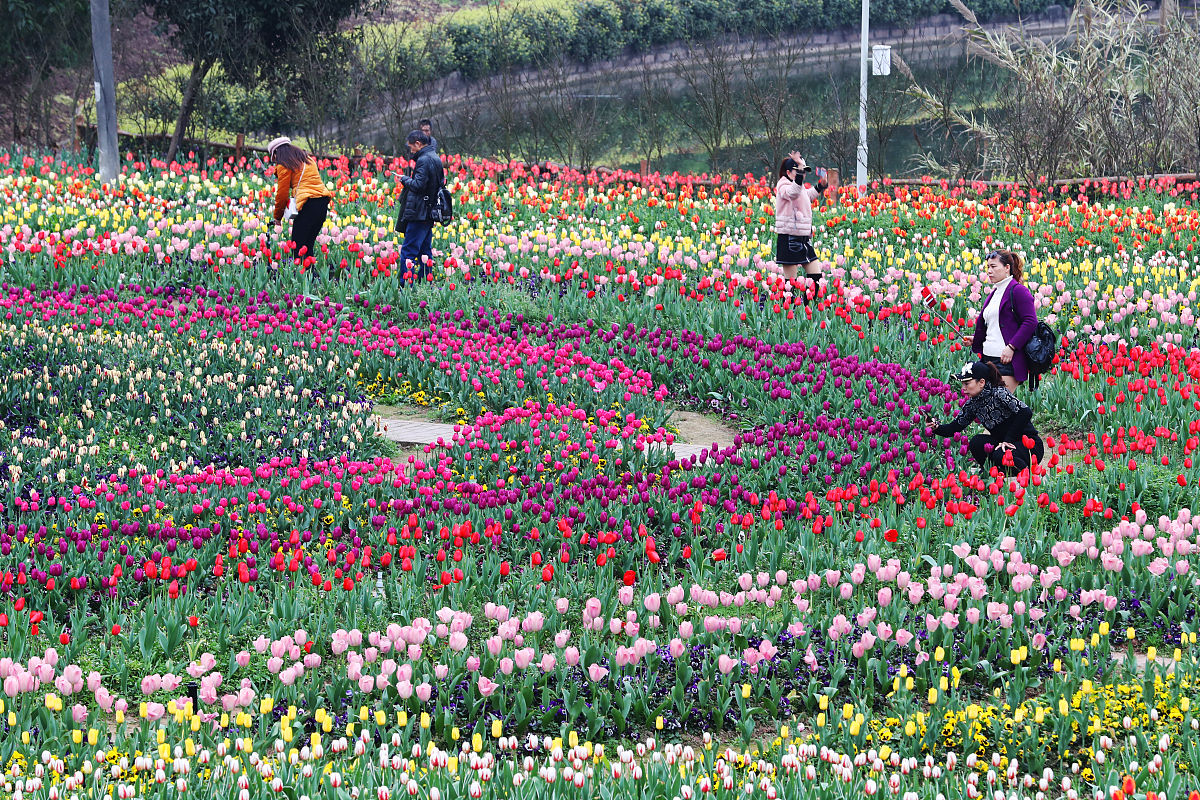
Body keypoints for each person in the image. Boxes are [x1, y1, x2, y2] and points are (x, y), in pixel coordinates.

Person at [933, 361, 1045, 475]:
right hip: (1005, 446)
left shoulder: (998, 393)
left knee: (1000, 454)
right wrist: (935, 427)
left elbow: (1025, 412)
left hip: (1028, 445)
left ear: (981, 382)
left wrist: (1007, 440)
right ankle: (991, 473)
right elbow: (954, 427)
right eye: (963, 383)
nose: (963, 388)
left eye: (967, 383)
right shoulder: (973, 404)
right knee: (977, 443)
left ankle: (1028, 477)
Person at [965, 249, 1037, 392]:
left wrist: (1012, 347)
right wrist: (978, 339)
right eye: (988, 267)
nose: (989, 271)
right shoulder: (995, 293)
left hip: (1006, 362)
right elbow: (996, 326)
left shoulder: (1018, 291)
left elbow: (1030, 322)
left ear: (1007, 268)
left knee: (999, 409)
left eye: (993, 266)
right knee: (988, 410)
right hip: (987, 360)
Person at [267, 136, 333, 272]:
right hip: (322, 202)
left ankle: (304, 281)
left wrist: (277, 217)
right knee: (307, 245)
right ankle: (311, 278)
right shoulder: (307, 159)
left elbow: (282, 194)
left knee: (298, 247)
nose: (274, 162)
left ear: (276, 153)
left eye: (274, 158)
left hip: (307, 204)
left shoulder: (284, 165)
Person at [774, 151, 827, 303]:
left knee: (816, 278)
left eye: (804, 172)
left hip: (803, 237)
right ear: (789, 172)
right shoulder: (784, 185)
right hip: (789, 238)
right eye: (800, 172)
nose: (803, 175)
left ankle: (804, 307)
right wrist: (799, 174)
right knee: (791, 285)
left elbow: (806, 196)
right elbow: (793, 194)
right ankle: (789, 313)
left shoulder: (798, 186)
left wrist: (819, 187)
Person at [394, 130, 445, 284]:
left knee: (408, 251)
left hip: (418, 212)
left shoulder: (424, 159)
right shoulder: (435, 157)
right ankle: (425, 283)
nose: (411, 151)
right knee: (424, 252)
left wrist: (404, 179)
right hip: (428, 212)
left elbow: (418, 185)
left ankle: (405, 286)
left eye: (411, 147)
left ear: (418, 143)